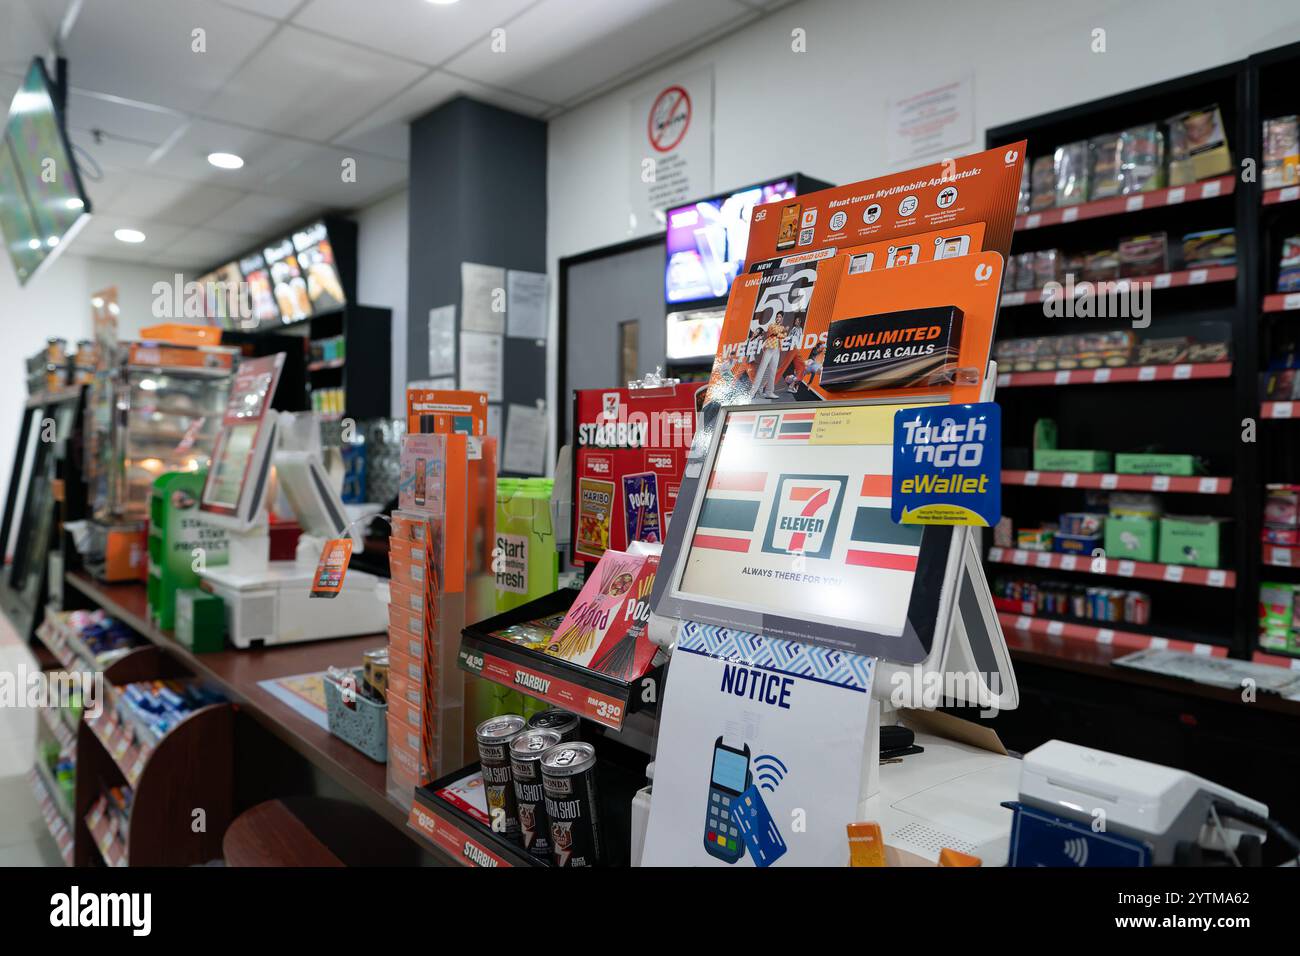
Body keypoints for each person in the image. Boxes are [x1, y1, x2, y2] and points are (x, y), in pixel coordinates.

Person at [748, 312, 786, 400]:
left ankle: (769, 392)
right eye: (777, 316)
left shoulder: (782, 327)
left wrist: (781, 333)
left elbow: (784, 336)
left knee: (773, 371)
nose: (778, 318)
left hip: (777, 349)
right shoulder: (772, 325)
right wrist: (781, 333)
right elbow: (774, 332)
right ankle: (752, 392)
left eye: (780, 317)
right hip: (769, 347)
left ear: (782, 318)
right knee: (762, 369)